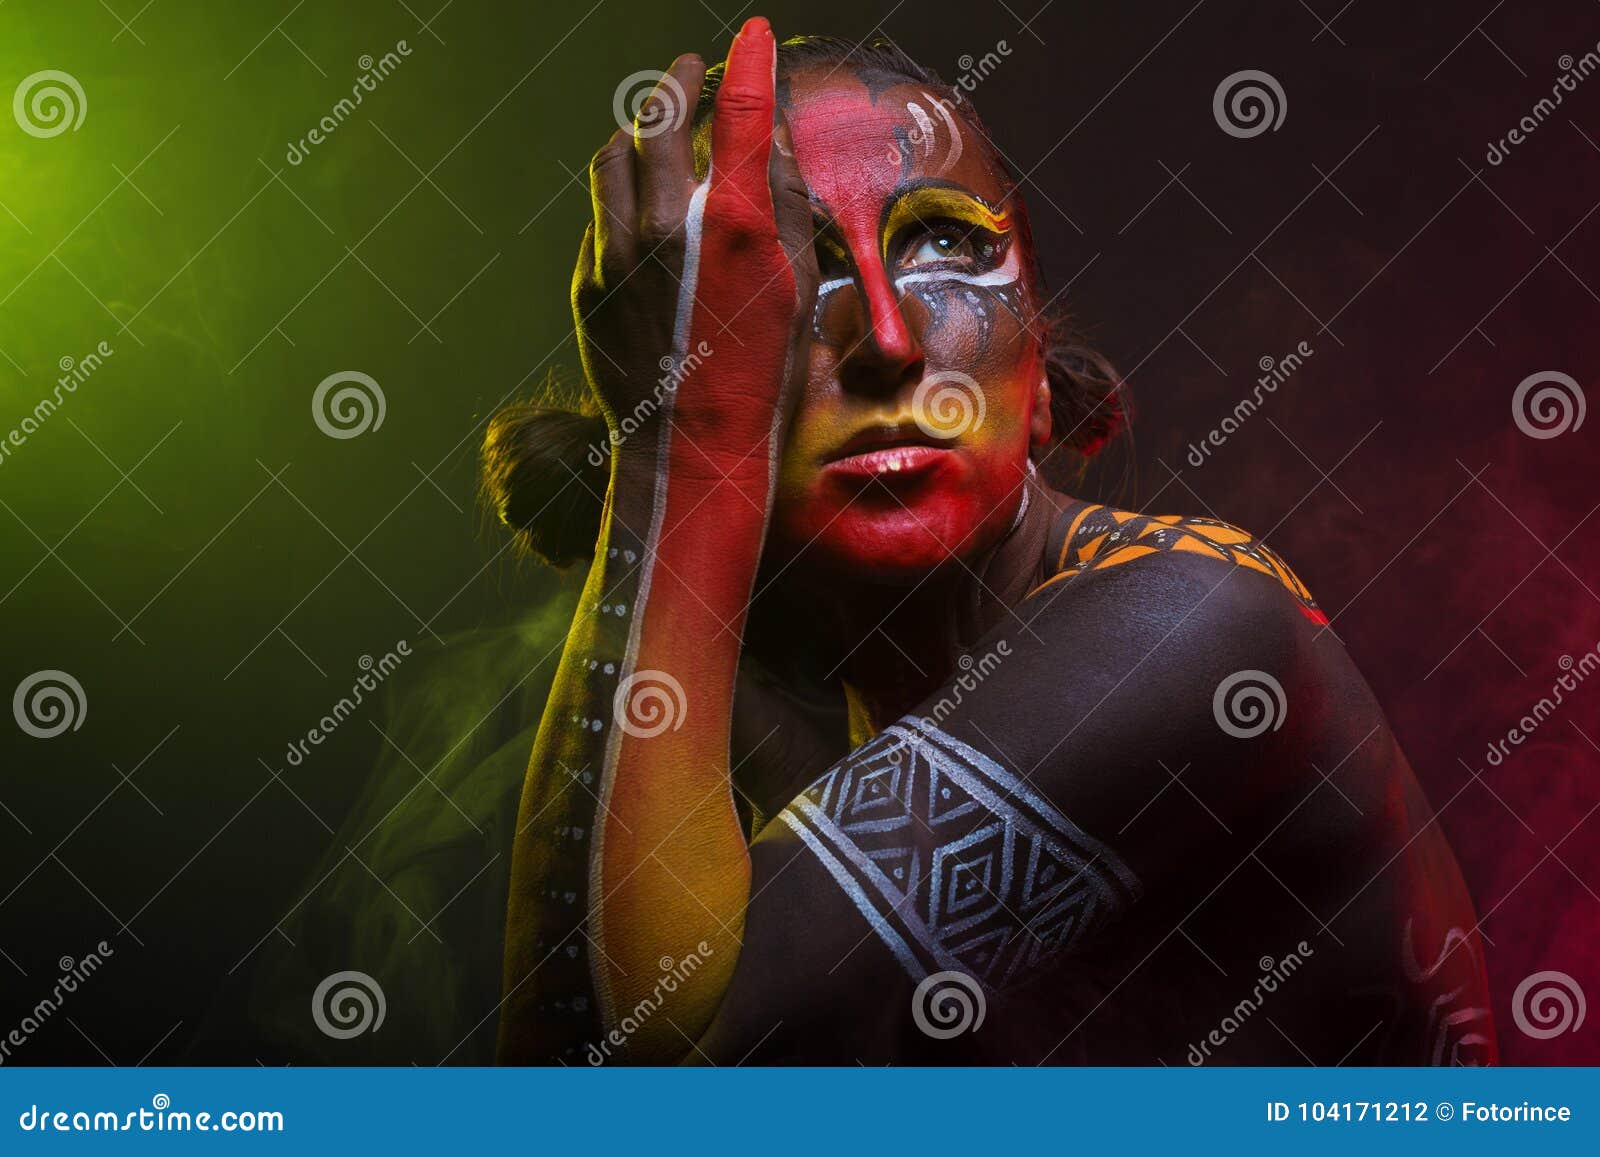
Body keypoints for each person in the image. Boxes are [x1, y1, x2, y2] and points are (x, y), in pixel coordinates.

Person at [483, 18, 1495, 1065]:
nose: (885, 339)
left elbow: (664, 1073)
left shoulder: (1193, 625)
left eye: (944, 243)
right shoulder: (737, 720)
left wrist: (673, 450)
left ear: (1039, 375)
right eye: (781, 269)